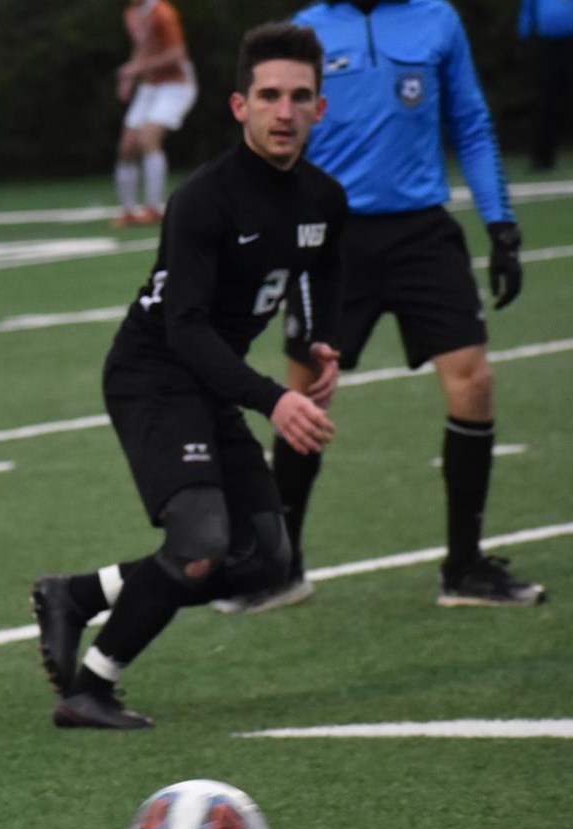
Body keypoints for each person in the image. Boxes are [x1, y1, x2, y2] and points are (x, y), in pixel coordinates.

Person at [31, 23, 347, 730]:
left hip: (211, 377)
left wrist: (323, 338)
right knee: (202, 541)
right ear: (239, 106)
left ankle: (77, 595)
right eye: (268, 96)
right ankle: (89, 690)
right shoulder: (205, 199)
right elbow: (183, 327)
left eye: (299, 97)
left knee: (267, 558)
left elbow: (323, 265)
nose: (284, 111)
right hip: (153, 372)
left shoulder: (323, 198)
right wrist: (273, 400)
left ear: (319, 109)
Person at [218, 0, 545, 612]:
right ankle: (281, 568)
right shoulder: (305, 29)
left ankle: (466, 567)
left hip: (424, 234)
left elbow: (470, 123)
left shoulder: (438, 19)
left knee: (473, 384)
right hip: (330, 238)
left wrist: (500, 224)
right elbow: (270, 133)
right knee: (307, 393)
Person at [113, 0, 198, 227]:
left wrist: (136, 68)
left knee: (148, 138)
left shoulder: (162, 12)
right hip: (151, 85)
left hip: (176, 84)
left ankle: (154, 207)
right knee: (127, 146)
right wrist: (130, 77)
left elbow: (177, 53)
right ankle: (128, 210)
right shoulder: (131, 13)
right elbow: (141, 48)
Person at [519, 0, 573, 171]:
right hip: (547, 45)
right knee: (545, 102)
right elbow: (527, 10)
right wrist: (524, 36)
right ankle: (542, 159)